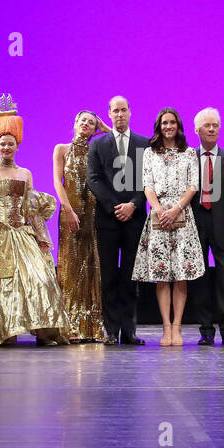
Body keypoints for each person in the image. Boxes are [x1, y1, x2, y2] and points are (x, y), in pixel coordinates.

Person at [0, 94, 72, 345]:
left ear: (17, 146)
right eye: (2, 144)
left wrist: (42, 236)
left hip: (22, 233)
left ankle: (43, 332)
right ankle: (8, 330)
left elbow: (31, 208)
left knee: (39, 277)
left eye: (10, 144)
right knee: (7, 283)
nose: (6, 148)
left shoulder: (25, 172)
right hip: (0, 233)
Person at [132, 107, 205, 346]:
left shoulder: (189, 153)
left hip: (182, 216)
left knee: (181, 276)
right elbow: (147, 185)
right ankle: (166, 328)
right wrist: (159, 209)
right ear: (159, 126)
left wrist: (176, 209)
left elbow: (193, 185)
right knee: (162, 276)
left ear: (179, 126)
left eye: (172, 122)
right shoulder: (150, 153)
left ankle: (177, 328)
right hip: (158, 216)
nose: (168, 126)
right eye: (164, 123)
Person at [87, 95, 149, 345]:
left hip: (135, 219)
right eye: (115, 111)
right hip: (108, 220)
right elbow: (93, 179)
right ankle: (111, 331)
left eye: (124, 110)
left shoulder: (144, 144)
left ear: (130, 112)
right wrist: (115, 207)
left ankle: (129, 330)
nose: (120, 114)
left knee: (131, 276)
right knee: (110, 276)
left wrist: (133, 205)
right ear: (109, 114)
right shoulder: (98, 144)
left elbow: (149, 180)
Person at [188, 107, 224, 346]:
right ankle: (206, 331)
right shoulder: (188, 158)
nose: (212, 129)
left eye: (215, 125)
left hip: (223, 226)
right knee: (199, 280)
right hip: (196, 225)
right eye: (207, 126)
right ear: (197, 130)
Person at [53, 110, 110, 342]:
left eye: (91, 123)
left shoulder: (98, 151)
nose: (86, 124)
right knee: (70, 265)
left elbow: (116, 139)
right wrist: (67, 209)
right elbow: (58, 181)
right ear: (74, 123)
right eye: (83, 120)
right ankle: (70, 326)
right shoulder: (61, 149)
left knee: (91, 265)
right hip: (71, 211)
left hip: (93, 213)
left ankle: (91, 327)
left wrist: (104, 128)